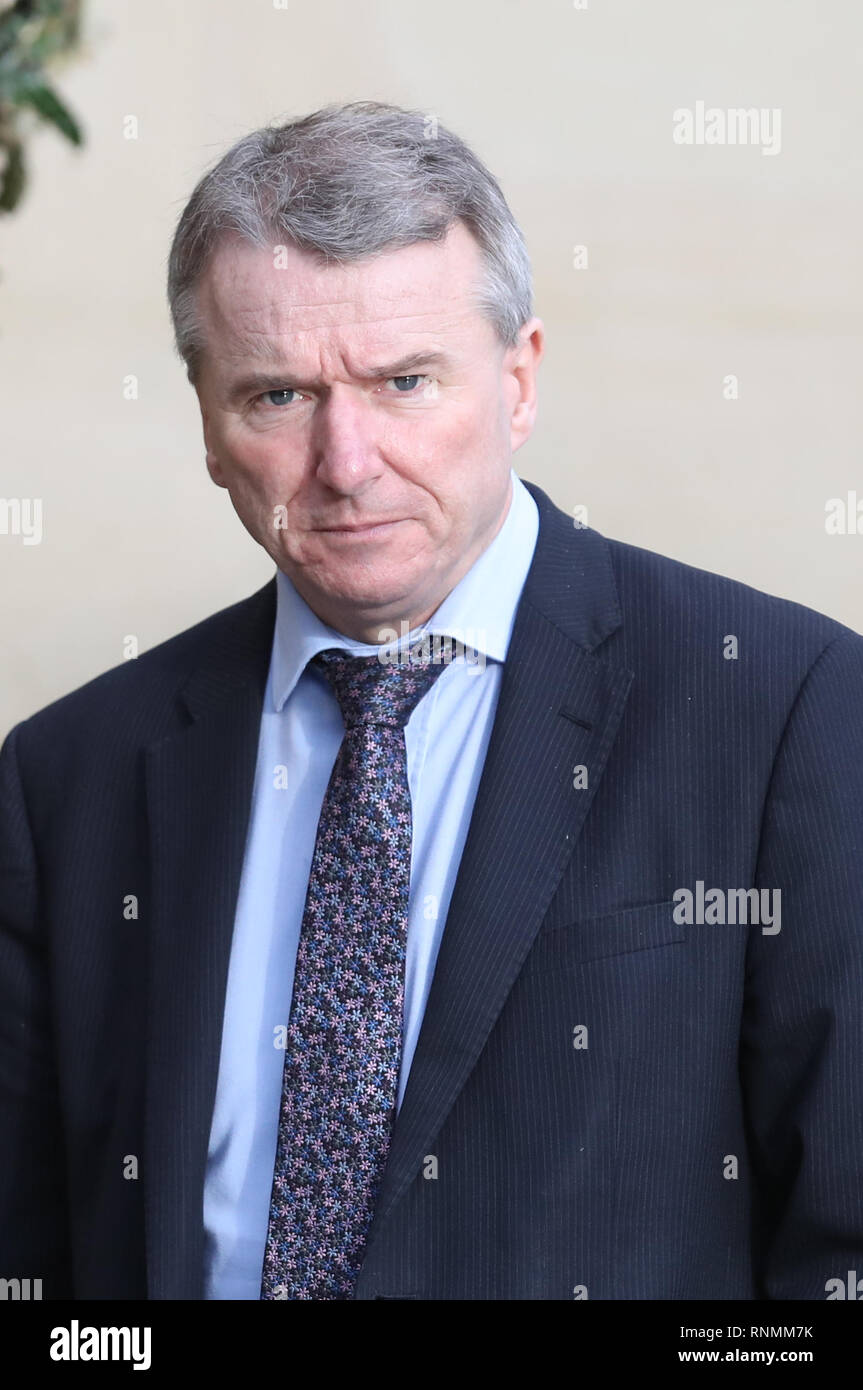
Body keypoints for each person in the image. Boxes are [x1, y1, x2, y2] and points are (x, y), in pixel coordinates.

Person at [1, 100, 861, 1301]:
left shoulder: (779, 707)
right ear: (204, 421)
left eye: (404, 381)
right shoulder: (68, 776)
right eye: (278, 398)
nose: (346, 464)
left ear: (518, 382)